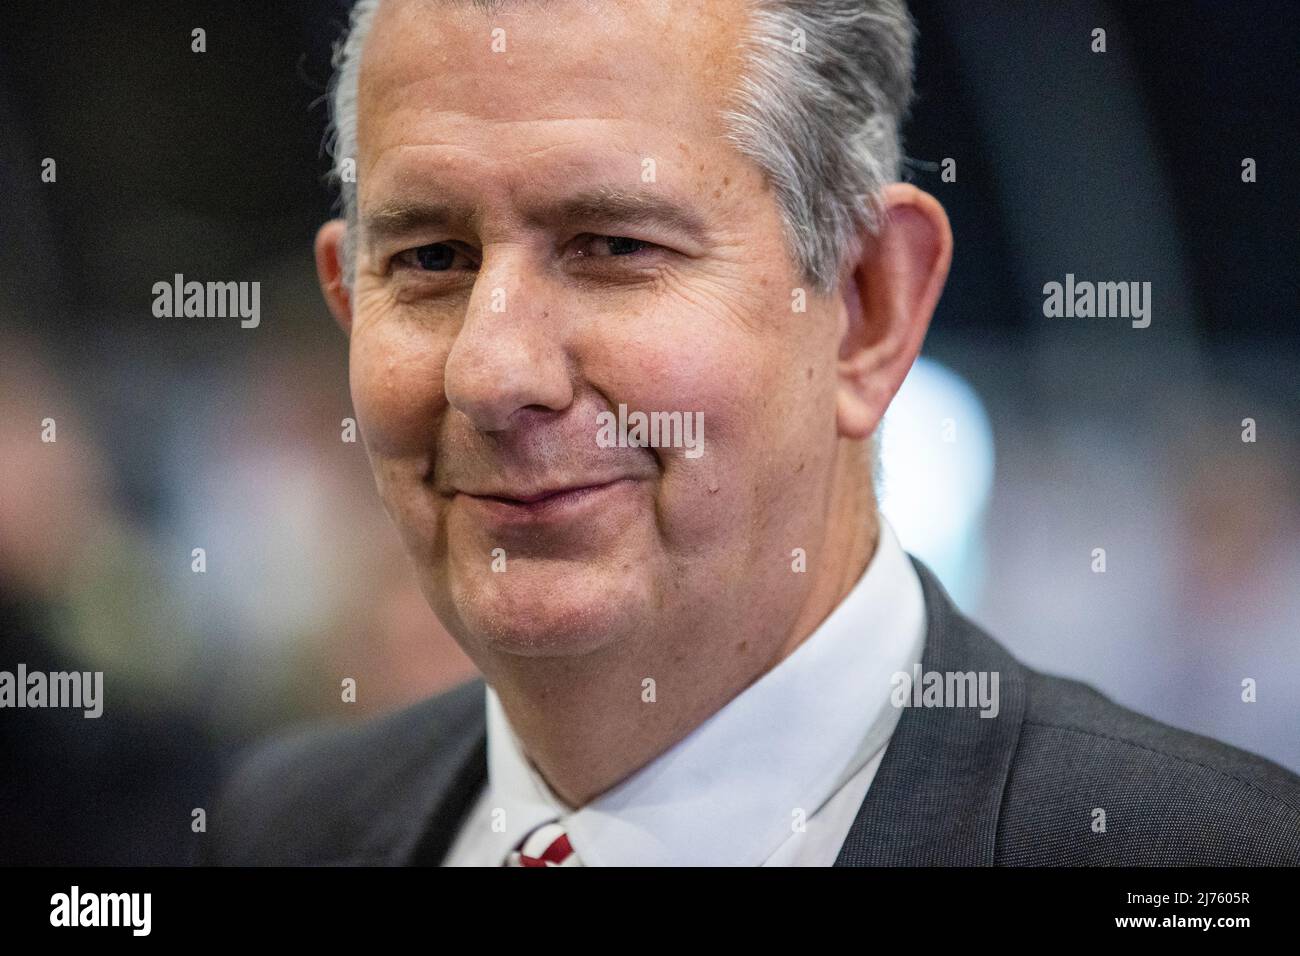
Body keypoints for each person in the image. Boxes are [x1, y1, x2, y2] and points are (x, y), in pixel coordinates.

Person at [202, 0, 1300, 866]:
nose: (493, 374)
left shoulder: (1201, 859)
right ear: (349, 301)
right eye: (431, 259)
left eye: (615, 245)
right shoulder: (287, 830)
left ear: (868, 308)